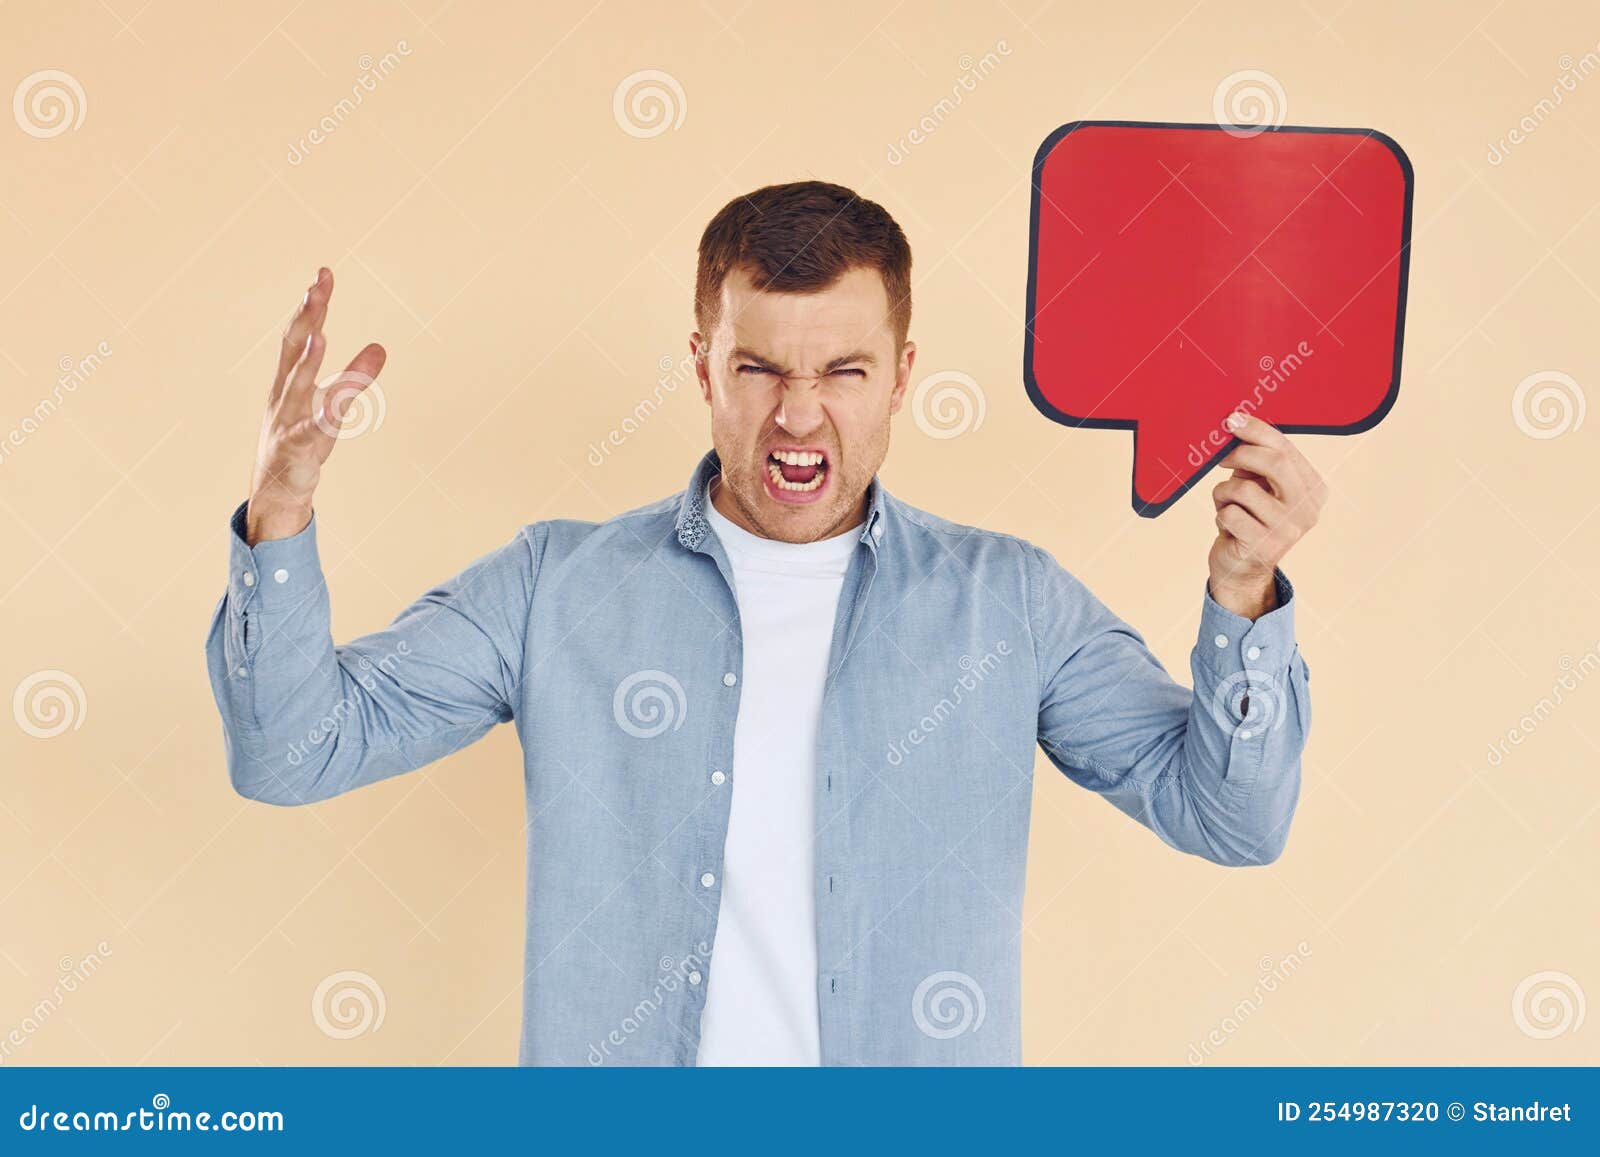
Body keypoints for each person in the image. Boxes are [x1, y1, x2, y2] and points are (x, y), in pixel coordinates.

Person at [205, 180, 1322, 1066]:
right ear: (702, 368)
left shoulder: (1009, 602)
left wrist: (1242, 591)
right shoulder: (555, 585)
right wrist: (282, 513)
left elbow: (1228, 819)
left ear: (901, 378)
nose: (799, 411)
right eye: (759, 367)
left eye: (845, 368)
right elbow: (290, 752)